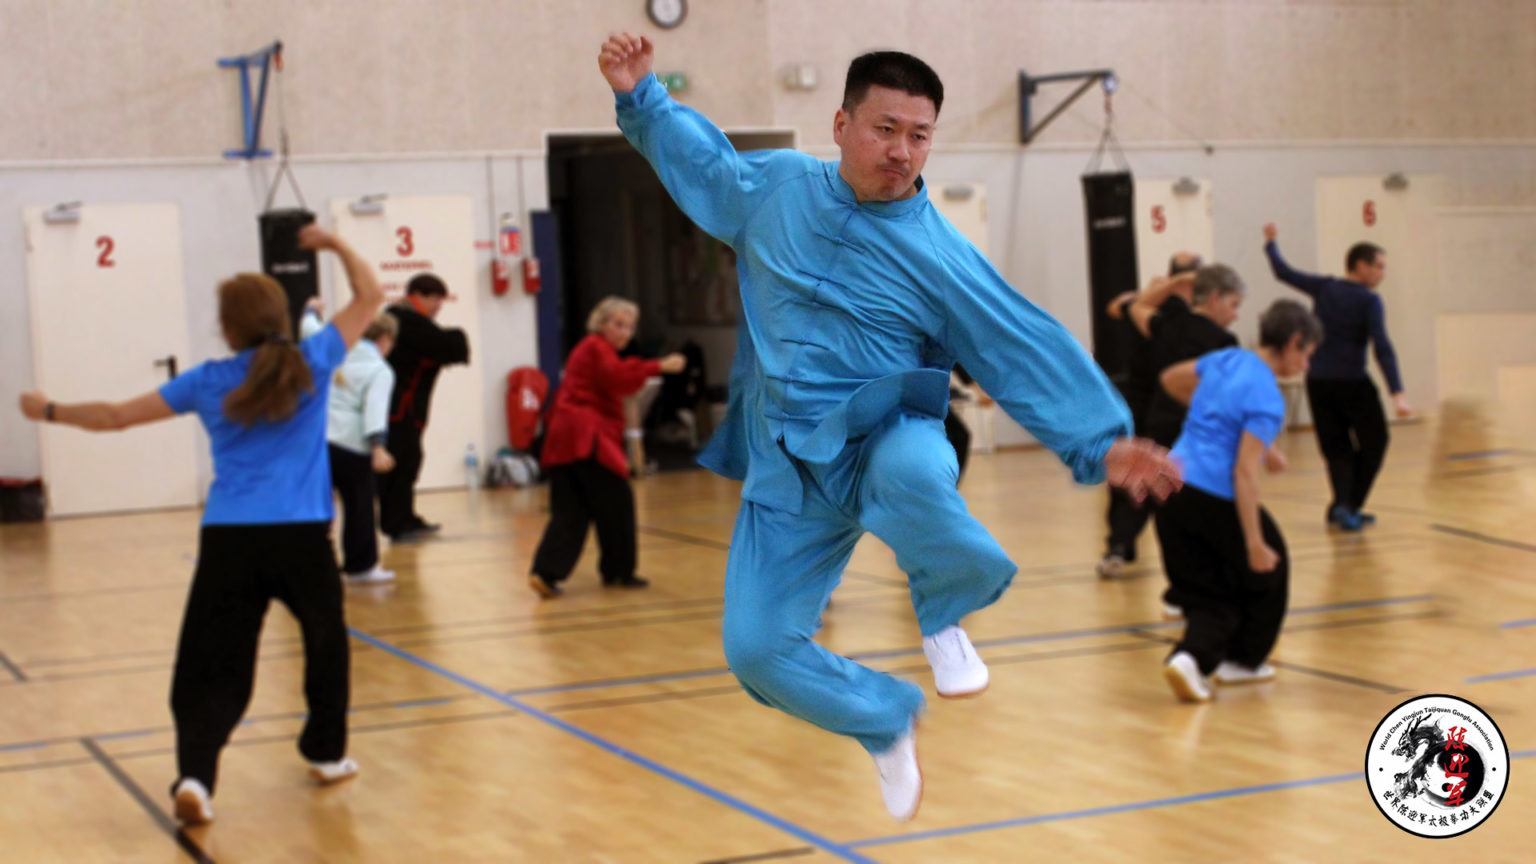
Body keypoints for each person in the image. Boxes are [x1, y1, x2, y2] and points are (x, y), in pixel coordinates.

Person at [601, 33, 1180, 820]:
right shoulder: (775, 191)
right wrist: (643, 96)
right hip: (788, 466)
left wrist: (1099, 439)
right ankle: (883, 718)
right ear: (840, 124)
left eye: (920, 135)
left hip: (885, 438)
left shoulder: (940, 256)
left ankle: (944, 613)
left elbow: (1020, 342)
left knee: (914, 476)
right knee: (756, 650)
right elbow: (704, 165)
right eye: (885, 129)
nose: (903, 151)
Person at [16, 225, 384, 824]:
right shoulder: (313, 360)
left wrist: (49, 410)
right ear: (279, 315)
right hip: (302, 537)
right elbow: (370, 296)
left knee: (212, 658)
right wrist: (335, 246)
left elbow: (115, 418)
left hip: (229, 538)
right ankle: (325, 753)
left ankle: (196, 776)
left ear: (228, 326)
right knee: (326, 644)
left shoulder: (209, 380)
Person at [1154, 299, 1322, 702]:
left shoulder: (1226, 359)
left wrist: (1222, 422)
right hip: (1212, 494)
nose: (1306, 366)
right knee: (1265, 566)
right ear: (1294, 342)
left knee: (1203, 590)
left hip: (1169, 486)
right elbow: (1244, 473)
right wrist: (1252, 543)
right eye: (1307, 355)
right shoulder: (1267, 397)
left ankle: (1191, 659)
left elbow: (1172, 379)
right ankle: (1239, 661)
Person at [529, 297, 685, 598]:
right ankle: (618, 572)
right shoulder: (596, 347)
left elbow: (617, 381)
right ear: (601, 323)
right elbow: (618, 379)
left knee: (571, 511)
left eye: (629, 327)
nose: (625, 332)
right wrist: (659, 365)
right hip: (586, 437)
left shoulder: (592, 350)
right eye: (618, 324)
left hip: (565, 438)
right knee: (617, 502)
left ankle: (545, 573)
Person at [1263, 223, 1412, 530]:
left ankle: (1341, 506)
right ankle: (1350, 504)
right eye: (1379, 266)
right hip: (1353, 383)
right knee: (1376, 441)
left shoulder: (1325, 288)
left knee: (1337, 448)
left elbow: (1283, 272)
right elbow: (1381, 344)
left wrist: (1271, 243)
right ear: (1361, 266)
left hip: (1318, 382)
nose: (1383, 273)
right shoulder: (1369, 300)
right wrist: (1397, 392)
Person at [1097, 252, 1200, 578]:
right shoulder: (1150, 308)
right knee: (1134, 478)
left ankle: (1124, 546)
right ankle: (1120, 545)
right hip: (1144, 407)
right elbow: (1116, 306)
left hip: (1167, 410)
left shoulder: (1190, 316)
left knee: (1156, 481)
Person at [301, 300, 399, 583]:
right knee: (359, 505)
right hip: (352, 444)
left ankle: (306, 566)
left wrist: (311, 310)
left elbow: (309, 329)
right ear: (384, 339)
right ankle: (361, 566)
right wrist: (378, 447)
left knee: (315, 505)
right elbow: (374, 410)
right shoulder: (379, 370)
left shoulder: (332, 350)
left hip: (317, 439)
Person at [378, 272, 471, 541]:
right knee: (400, 462)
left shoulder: (412, 322)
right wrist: (453, 339)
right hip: (396, 407)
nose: (438, 307)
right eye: (434, 300)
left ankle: (406, 516)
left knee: (410, 460)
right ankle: (395, 523)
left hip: (409, 408)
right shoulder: (402, 320)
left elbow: (444, 345)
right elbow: (448, 345)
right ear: (417, 296)